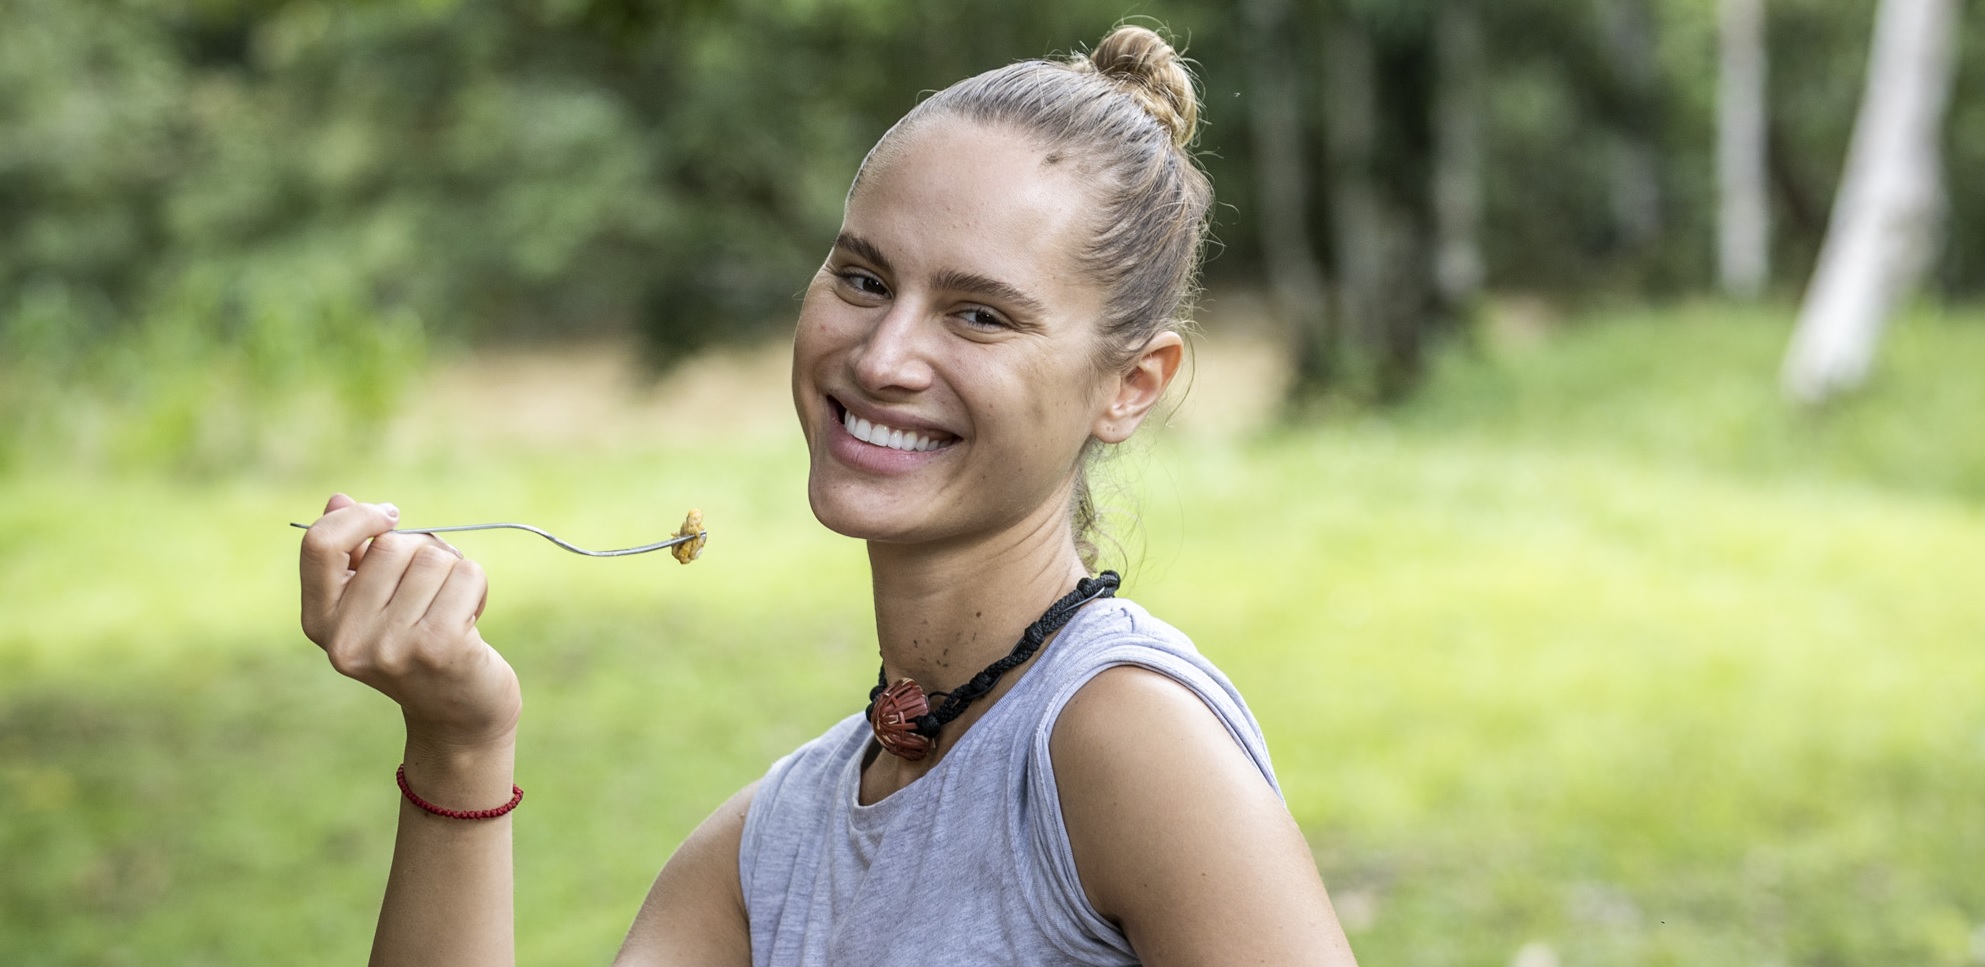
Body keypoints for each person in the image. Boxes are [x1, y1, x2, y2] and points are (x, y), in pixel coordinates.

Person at [298, 25, 1358, 967]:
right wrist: (460, 743)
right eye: (861, 280)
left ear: (1130, 386)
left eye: (979, 316)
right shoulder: (779, 840)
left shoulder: (1120, 740)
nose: (885, 355)